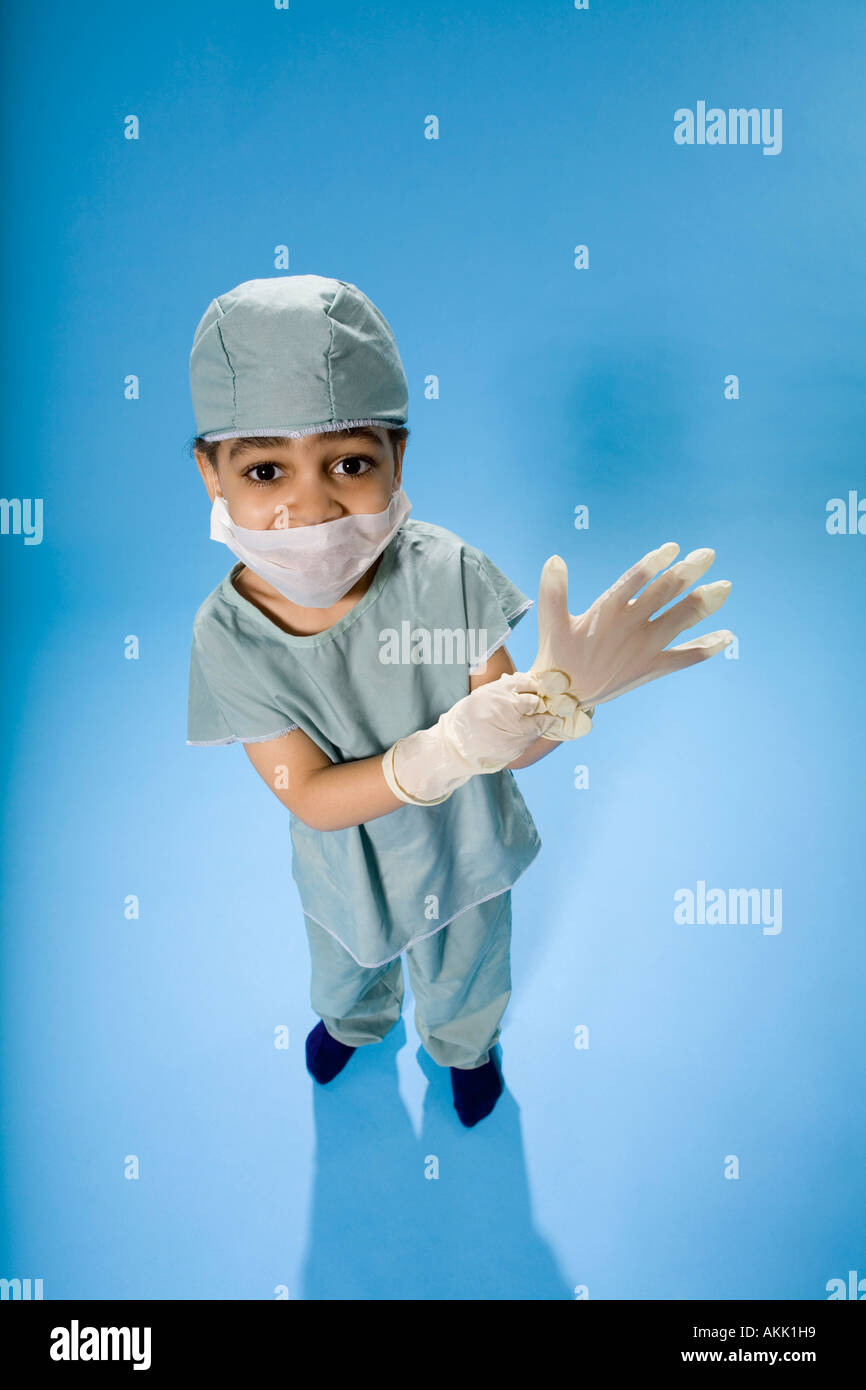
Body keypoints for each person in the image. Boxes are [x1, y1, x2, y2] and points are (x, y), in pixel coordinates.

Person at [186, 274, 733, 1127]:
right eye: (264, 469)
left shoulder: (447, 575)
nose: (312, 504)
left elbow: (509, 738)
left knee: (469, 969)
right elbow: (314, 798)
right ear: (211, 475)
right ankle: (355, 1023)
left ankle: (465, 1048)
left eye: (350, 462)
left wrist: (561, 697)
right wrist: (439, 753)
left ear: (397, 458)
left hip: (465, 848)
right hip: (348, 868)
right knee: (346, 965)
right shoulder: (230, 636)